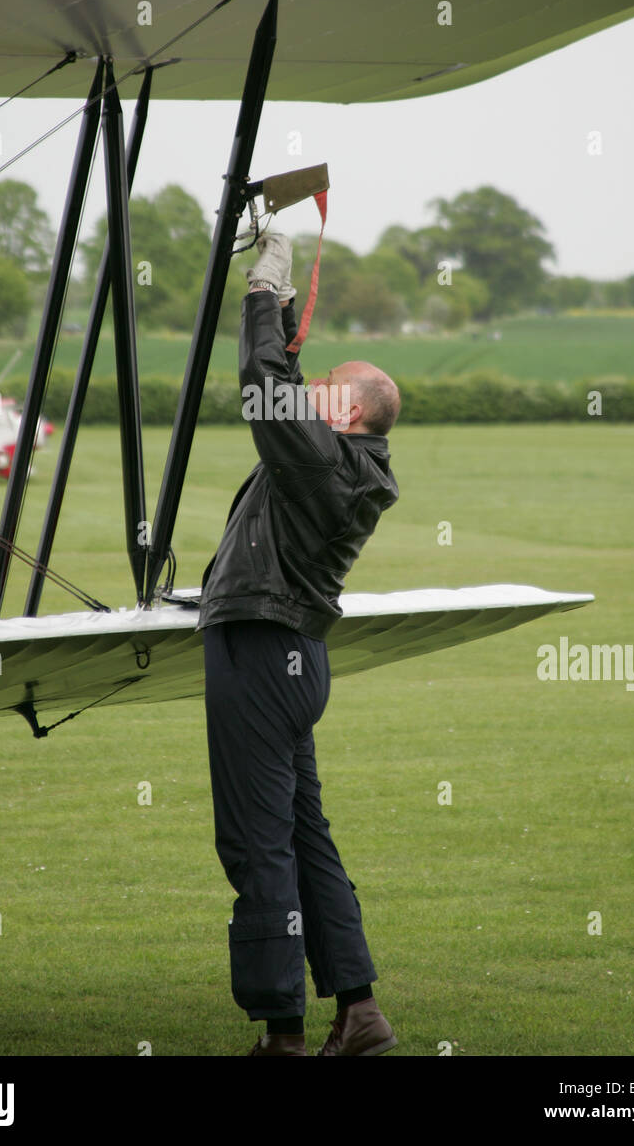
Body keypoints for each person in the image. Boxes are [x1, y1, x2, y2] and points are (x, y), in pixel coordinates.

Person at [197, 230, 401, 1056]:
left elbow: (261, 384)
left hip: (261, 652)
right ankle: (359, 1011)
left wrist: (260, 289)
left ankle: (280, 1031)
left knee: (257, 840)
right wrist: (280, 315)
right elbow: (277, 384)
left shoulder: (323, 459)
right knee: (303, 835)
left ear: (347, 412)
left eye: (323, 389)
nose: (309, 394)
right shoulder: (344, 462)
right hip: (297, 658)